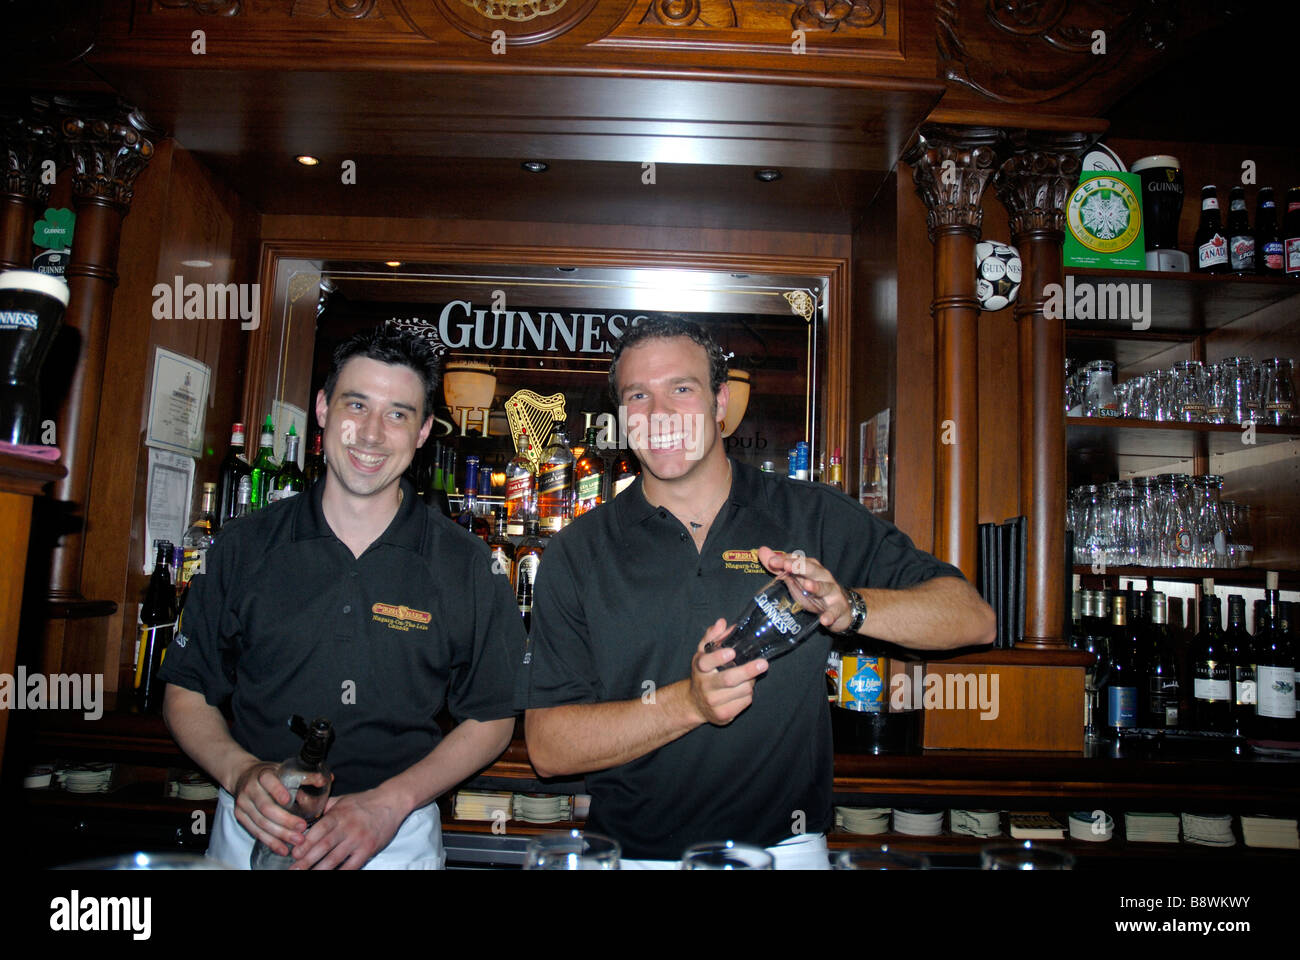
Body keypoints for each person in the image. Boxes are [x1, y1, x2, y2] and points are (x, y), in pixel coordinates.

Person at [522, 317, 996, 868]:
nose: (659, 415)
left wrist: (849, 607)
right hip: (631, 858)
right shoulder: (578, 551)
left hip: (786, 851)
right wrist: (690, 703)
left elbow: (972, 617)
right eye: (638, 395)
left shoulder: (813, 514)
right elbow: (549, 747)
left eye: (681, 389)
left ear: (721, 403)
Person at [160, 325, 523, 869]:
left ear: (423, 431)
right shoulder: (243, 545)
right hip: (255, 827)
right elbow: (187, 691)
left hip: (395, 837)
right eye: (357, 404)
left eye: (398, 414)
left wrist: (389, 803)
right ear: (324, 409)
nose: (372, 434)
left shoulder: (467, 563)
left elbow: (493, 716)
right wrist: (240, 772)